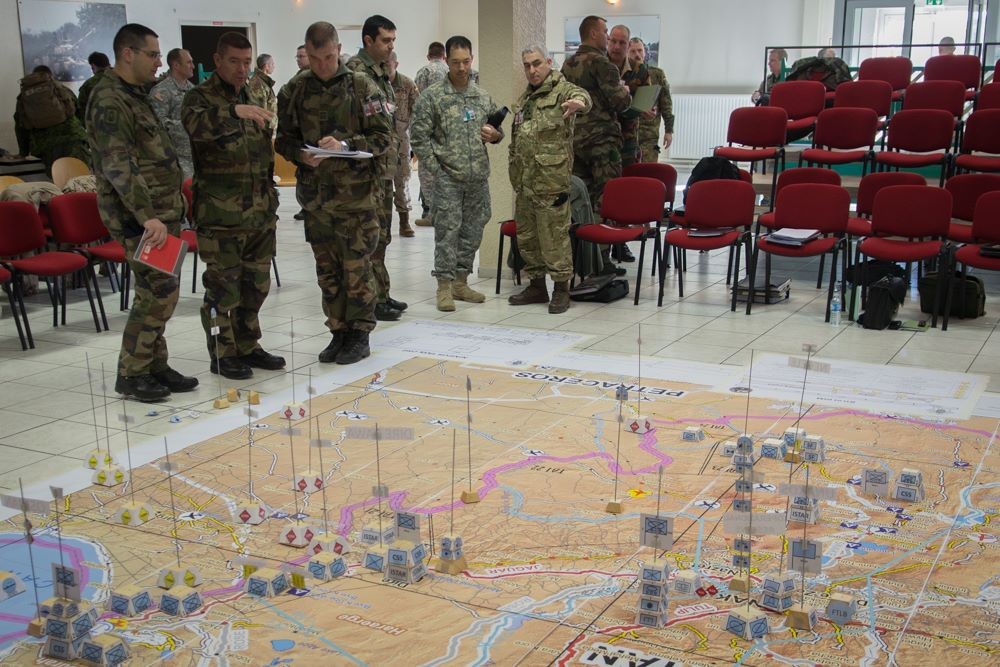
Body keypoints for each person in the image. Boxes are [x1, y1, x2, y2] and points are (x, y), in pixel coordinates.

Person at [87, 23, 198, 401]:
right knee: (159, 292)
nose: (158, 63)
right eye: (152, 55)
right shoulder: (109, 99)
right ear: (128, 53)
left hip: (161, 211)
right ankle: (132, 372)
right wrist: (147, 215)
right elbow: (118, 163)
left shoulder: (135, 93)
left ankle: (153, 364)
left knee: (158, 289)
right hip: (140, 217)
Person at [276, 21, 392, 365]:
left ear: (338, 50)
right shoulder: (295, 90)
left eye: (327, 57)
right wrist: (300, 153)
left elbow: (383, 139)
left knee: (357, 269)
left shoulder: (362, 86)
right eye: (314, 58)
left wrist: (346, 144)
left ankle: (359, 333)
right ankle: (338, 331)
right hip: (317, 199)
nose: (321, 65)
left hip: (357, 201)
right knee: (327, 271)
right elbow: (283, 139)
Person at [182, 31, 285, 380]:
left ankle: (248, 344)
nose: (241, 70)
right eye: (233, 62)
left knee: (256, 285)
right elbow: (195, 127)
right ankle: (221, 352)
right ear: (217, 61)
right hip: (221, 214)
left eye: (246, 62)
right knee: (221, 291)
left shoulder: (257, 92)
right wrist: (232, 111)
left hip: (259, 210)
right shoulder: (199, 98)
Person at [410, 35, 504, 312]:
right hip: (448, 178)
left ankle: (461, 282)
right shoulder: (433, 97)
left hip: (477, 179)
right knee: (447, 233)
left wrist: (495, 134)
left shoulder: (481, 95)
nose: (461, 68)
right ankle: (443, 286)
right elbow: (419, 138)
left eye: (465, 62)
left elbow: (498, 131)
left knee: (473, 230)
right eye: (455, 63)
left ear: (471, 60)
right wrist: (437, 171)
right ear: (447, 61)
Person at [508, 44, 590, 314]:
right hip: (526, 183)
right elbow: (517, 139)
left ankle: (561, 289)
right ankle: (536, 285)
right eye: (527, 65)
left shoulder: (562, 90)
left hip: (551, 182)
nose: (532, 70)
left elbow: (582, 96)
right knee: (528, 239)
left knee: (554, 238)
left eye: (537, 63)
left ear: (548, 63)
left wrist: (580, 104)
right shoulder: (524, 99)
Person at [347, 14, 408, 321]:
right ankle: (371, 299)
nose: (390, 46)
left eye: (393, 40)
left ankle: (381, 294)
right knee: (368, 239)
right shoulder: (355, 74)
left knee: (381, 237)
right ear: (368, 41)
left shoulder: (381, 73)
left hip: (383, 169)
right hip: (365, 172)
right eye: (386, 40)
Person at [561, 16, 631, 276]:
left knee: (581, 201)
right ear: (593, 34)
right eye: (604, 32)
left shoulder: (568, 64)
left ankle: (582, 258)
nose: (607, 36)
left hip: (575, 142)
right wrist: (625, 90)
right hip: (602, 143)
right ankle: (602, 260)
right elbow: (619, 102)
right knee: (605, 198)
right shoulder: (603, 64)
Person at [14, 65, 89, 178]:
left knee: (60, 183)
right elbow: (79, 110)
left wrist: (23, 152)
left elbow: (21, 127)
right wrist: (81, 132)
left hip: (47, 147)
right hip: (74, 139)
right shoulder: (60, 88)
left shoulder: (24, 97)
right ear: (50, 75)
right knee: (84, 180)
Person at [413, 41, 449, 228]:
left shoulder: (422, 73)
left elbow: (417, 103)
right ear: (444, 56)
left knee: (427, 172)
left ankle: (431, 212)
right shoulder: (450, 71)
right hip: (448, 131)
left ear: (429, 56)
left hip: (428, 129)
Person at [149, 48, 195, 179]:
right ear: (176, 65)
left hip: (195, 156)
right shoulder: (161, 91)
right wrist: (187, 125)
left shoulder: (193, 90)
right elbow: (157, 124)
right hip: (174, 160)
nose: (193, 66)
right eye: (189, 62)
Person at [387, 51, 418, 238]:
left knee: (402, 181)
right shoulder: (373, 84)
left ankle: (404, 221)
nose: (384, 68)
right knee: (381, 184)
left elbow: (420, 113)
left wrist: (418, 142)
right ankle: (382, 223)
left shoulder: (406, 85)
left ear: (395, 64)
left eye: (387, 64)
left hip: (401, 142)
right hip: (380, 143)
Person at [628, 38, 674, 162]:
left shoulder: (657, 74)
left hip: (649, 134)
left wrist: (669, 131)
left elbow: (666, 103)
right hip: (627, 134)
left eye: (639, 50)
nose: (637, 54)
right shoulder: (622, 75)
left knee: (648, 172)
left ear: (645, 52)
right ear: (627, 53)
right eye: (632, 51)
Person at [77, 51, 111, 124]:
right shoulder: (125, 77)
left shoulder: (89, 84)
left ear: (93, 65)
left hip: (101, 128)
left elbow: (81, 110)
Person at [248, 53, 277, 117]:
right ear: (266, 66)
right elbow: (259, 111)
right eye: (272, 64)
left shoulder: (264, 82)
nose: (274, 66)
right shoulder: (257, 83)